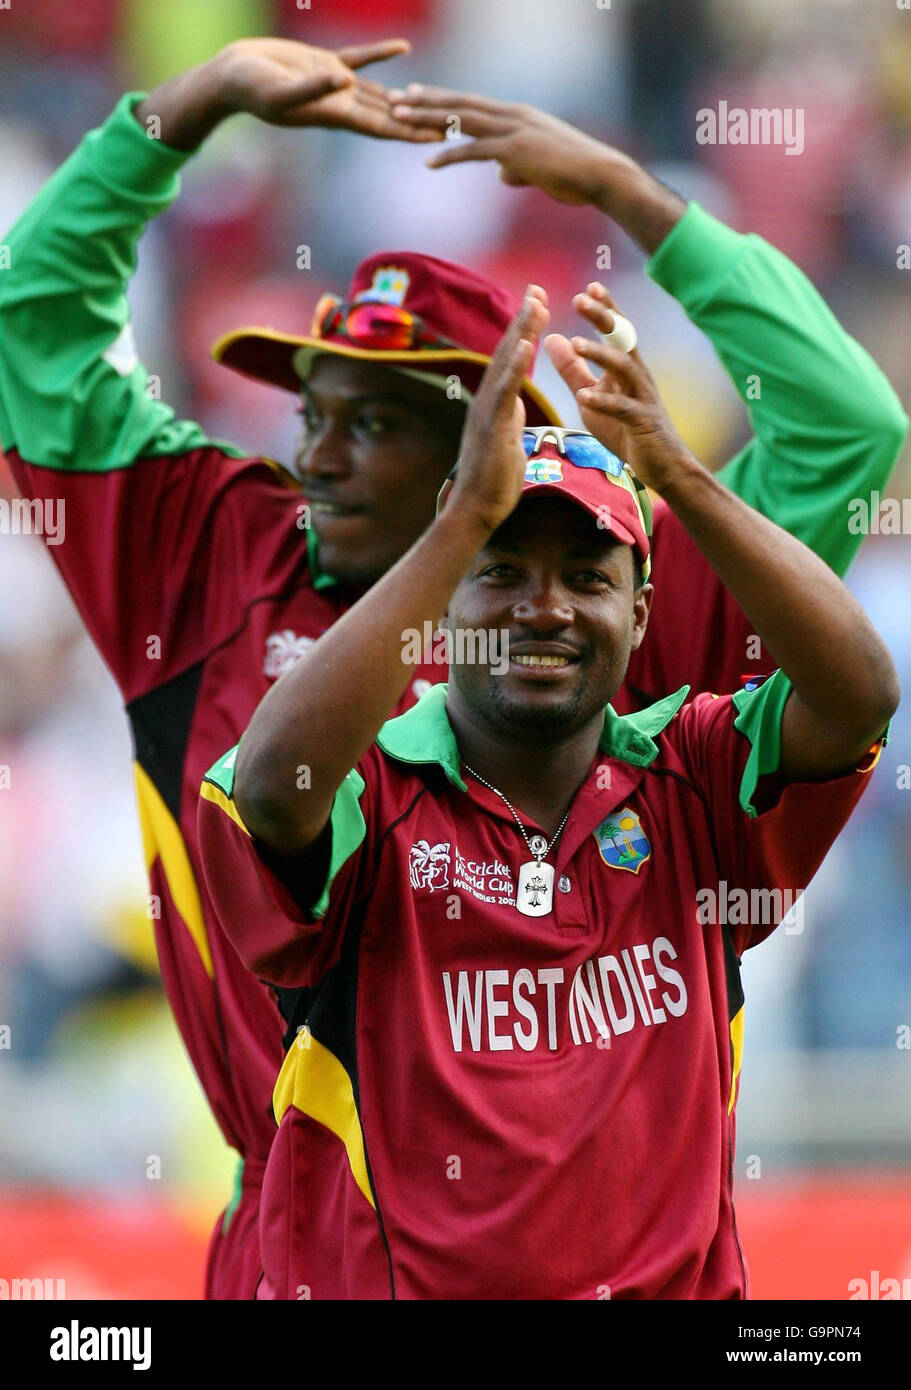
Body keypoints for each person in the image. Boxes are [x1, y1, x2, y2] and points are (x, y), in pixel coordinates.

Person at [0, 34, 904, 1298]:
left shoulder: (605, 584)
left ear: (485, 432)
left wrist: (633, 199)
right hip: (310, 1233)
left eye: (369, 420)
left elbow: (845, 428)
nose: (313, 456)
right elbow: (29, 345)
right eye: (311, 410)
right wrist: (183, 111)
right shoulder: (215, 550)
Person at [198, 291, 898, 1300]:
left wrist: (676, 473)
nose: (544, 607)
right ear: (446, 597)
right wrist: (454, 526)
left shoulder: (692, 775)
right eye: (501, 570)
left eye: (585, 573)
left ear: (639, 606)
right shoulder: (374, 788)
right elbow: (270, 792)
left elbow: (859, 691)